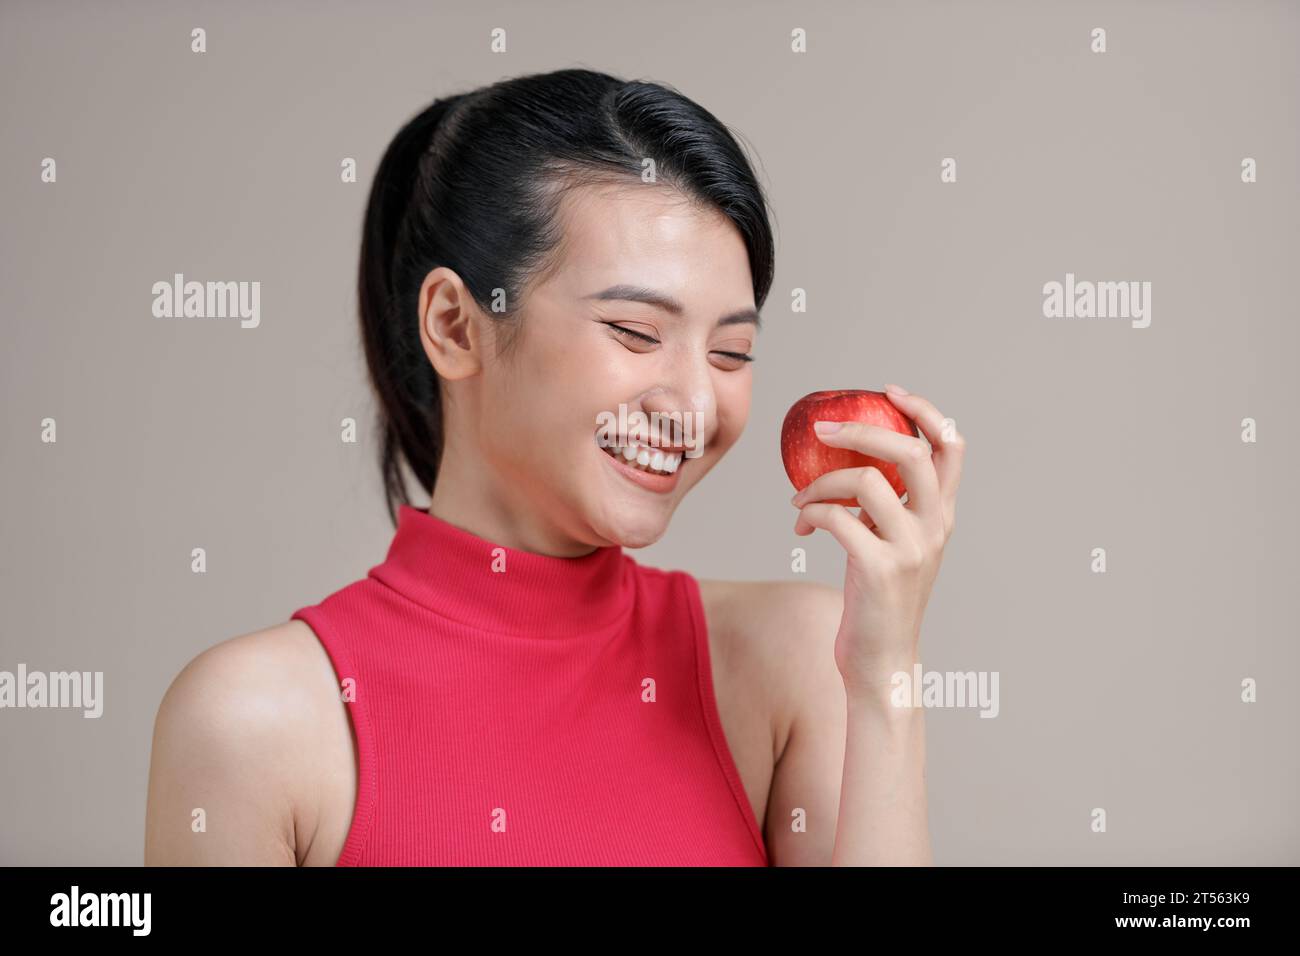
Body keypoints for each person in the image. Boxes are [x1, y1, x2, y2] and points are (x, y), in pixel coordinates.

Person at [143, 68, 964, 867]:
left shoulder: (798, 662)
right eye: (636, 332)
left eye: (730, 352)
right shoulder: (253, 724)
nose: (694, 404)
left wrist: (885, 679)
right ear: (456, 327)